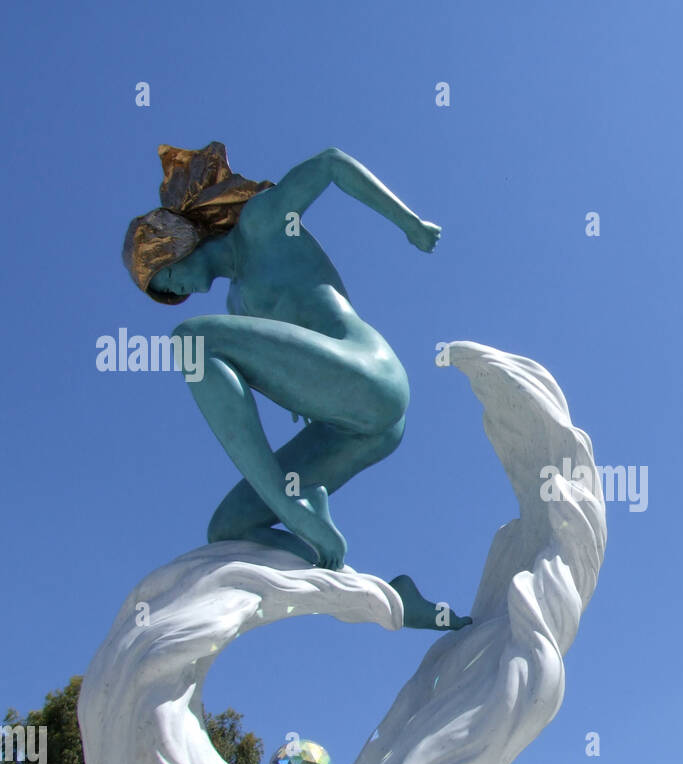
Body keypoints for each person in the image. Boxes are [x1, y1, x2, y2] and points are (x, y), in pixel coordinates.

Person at [123, 143, 468, 630]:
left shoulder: (263, 224)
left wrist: (408, 222)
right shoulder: (238, 304)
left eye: (166, 276)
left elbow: (329, 163)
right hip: (359, 429)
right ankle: (388, 598)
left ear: (178, 245)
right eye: (165, 293)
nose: (175, 292)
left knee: (192, 340)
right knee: (229, 529)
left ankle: (295, 507)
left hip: (372, 378)